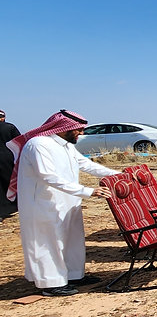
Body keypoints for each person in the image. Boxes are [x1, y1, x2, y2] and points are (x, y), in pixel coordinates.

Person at [6, 110, 116, 296]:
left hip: (68, 202)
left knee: (73, 239)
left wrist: (120, 175)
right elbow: (47, 176)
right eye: (78, 130)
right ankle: (49, 284)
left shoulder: (65, 146)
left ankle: (74, 275)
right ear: (64, 128)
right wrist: (88, 191)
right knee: (48, 242)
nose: (81, 134)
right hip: (43, 204)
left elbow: (86, 165)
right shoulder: (38, 144)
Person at [0, 109, 19, 220]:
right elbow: (19, 141)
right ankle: (9, 208)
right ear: (3, 118)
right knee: (8, 181)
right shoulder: (10, 127)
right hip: (7, 157)